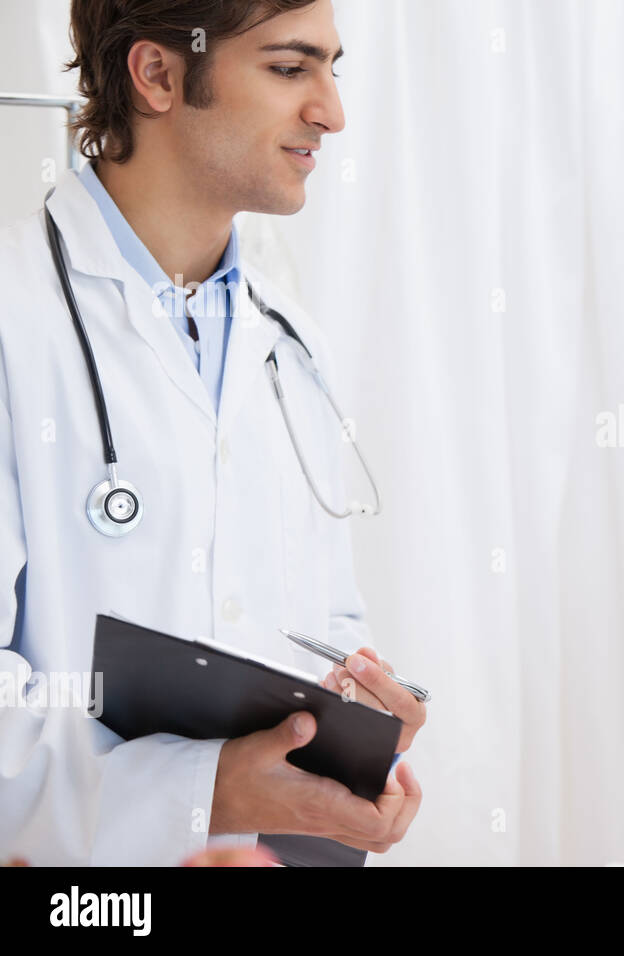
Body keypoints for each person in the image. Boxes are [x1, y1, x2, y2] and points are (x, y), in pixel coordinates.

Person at [0, 0, 424, 865]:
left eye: (331, 69)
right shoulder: (16, 318)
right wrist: (206, 789)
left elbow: (323, 621)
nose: (331, 112)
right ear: (157, 74)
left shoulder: (287, 338)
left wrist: (359, 722)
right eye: (288, 67)